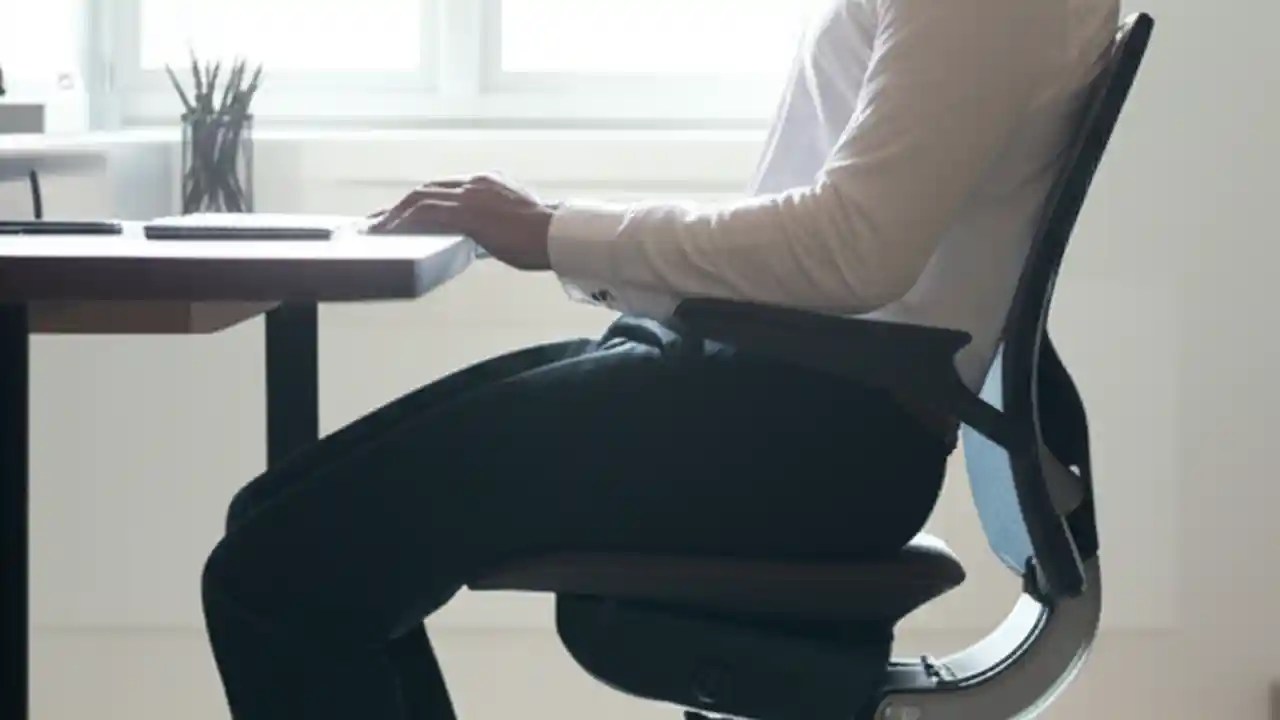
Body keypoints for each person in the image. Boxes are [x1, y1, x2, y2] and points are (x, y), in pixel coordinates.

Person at [201, 0, 1120, 717]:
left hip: (809, 430)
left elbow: (855, 249)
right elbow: (835, 233)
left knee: (280, 574)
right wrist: (553, 227)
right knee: (281, 531)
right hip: (776, 391)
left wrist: (551, 231)